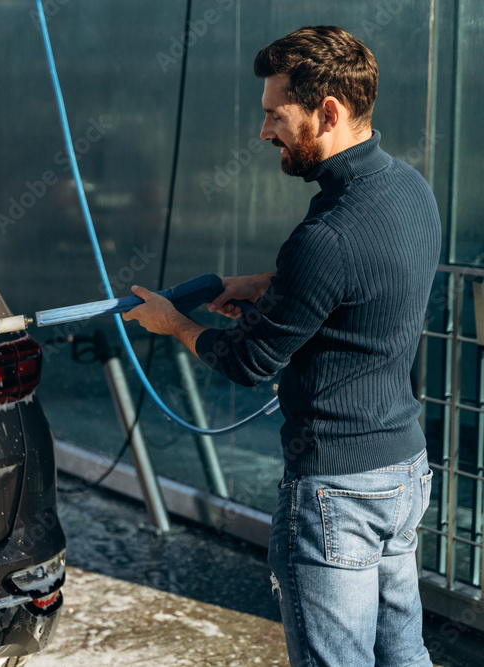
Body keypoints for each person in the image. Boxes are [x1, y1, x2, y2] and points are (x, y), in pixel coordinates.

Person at [122, 26, 441, 666]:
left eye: (275, 115)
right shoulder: (411, 191)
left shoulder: (325, 236)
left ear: (327, 111)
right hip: (404, 472)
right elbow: (372, 282)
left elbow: (246, 362)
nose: (263, 132)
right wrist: (266, 285)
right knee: (404, 653)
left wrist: (173, 324)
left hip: (335, 491)